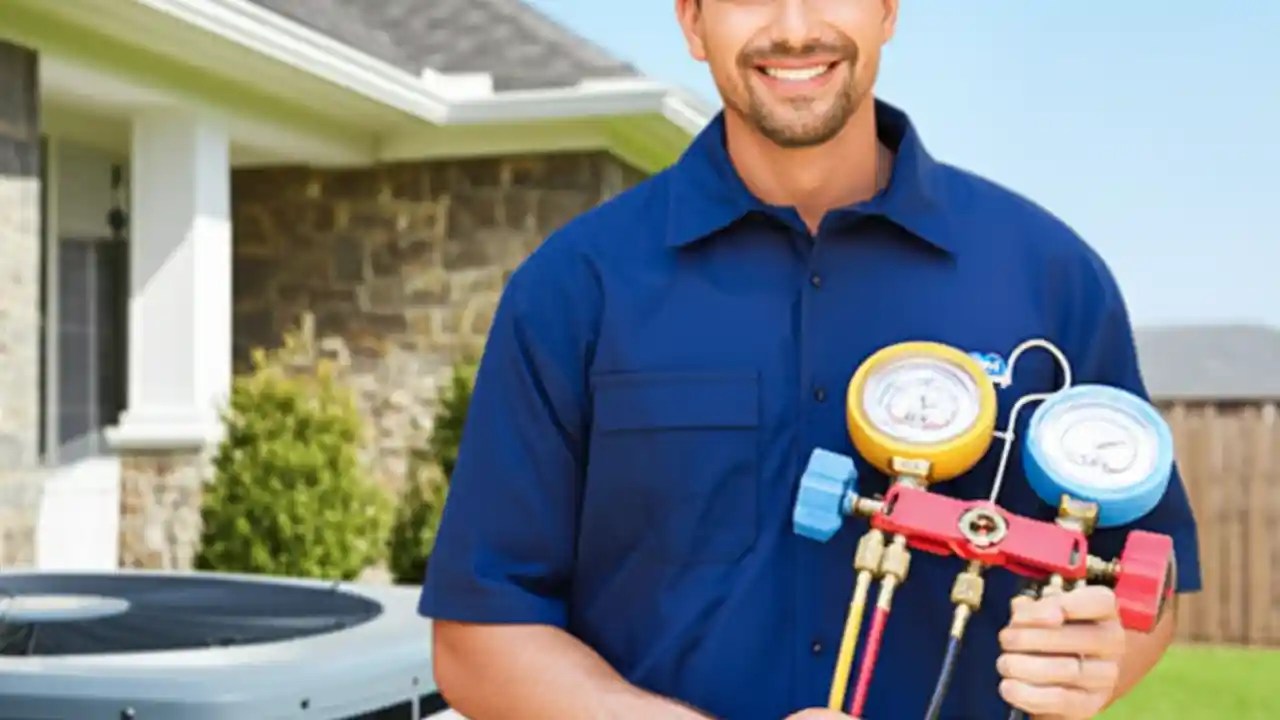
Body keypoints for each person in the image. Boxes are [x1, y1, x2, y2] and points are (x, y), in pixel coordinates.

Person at [417, 1, 1202, 718]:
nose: (794, 26)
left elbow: (1148, 581)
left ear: (888, 10)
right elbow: (478, 638)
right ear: (692, 22)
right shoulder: (575, 288)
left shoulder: (1047, 275)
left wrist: (1099, 656)